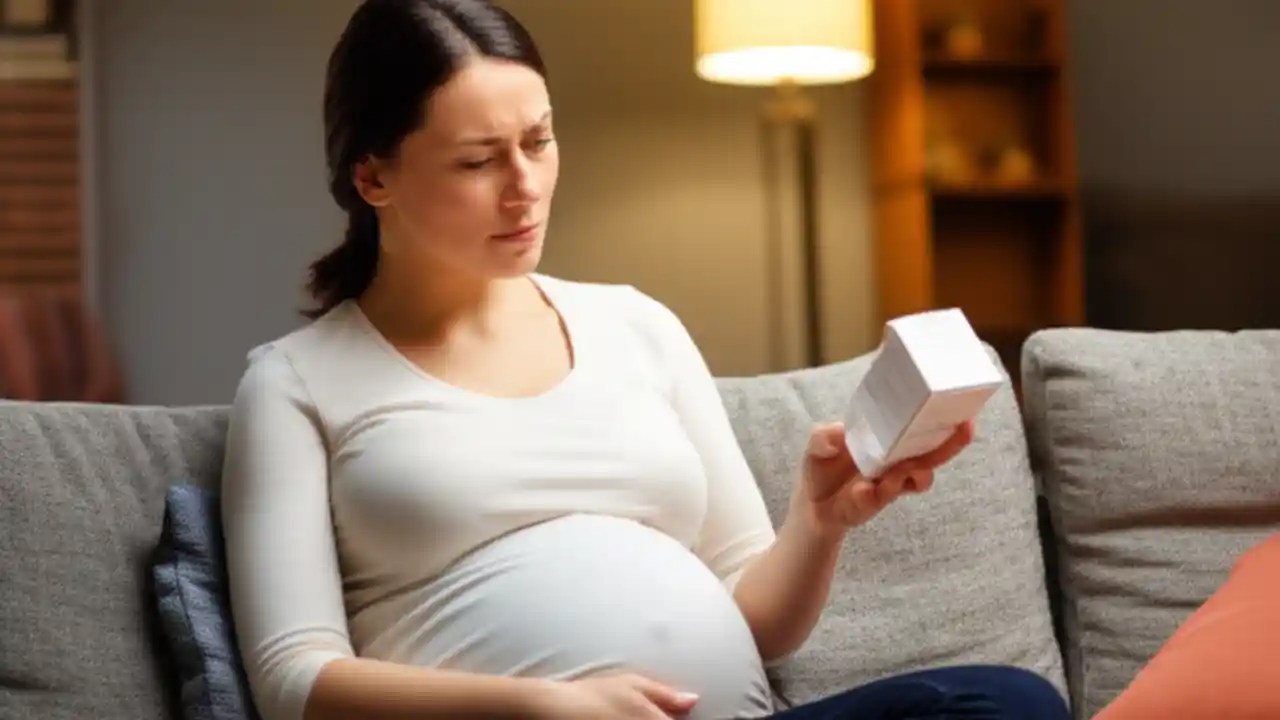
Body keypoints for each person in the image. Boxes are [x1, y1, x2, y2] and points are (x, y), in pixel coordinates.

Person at [219, 1, 1072, 719]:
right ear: (374, 180)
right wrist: (542, 707)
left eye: (540, 141)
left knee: (1007, 702)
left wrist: (819, 523)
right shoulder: (297, 382)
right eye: (479, 161)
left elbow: (759, 623)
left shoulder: (635, 324)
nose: (526, 186)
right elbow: (293, 679)